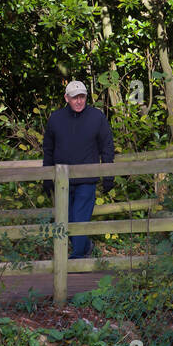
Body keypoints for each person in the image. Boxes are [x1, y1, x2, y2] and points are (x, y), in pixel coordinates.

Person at [42, 80, 115, 260]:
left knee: (79, 219)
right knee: (66, 219)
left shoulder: (96, 117)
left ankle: (77, 258)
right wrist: (46, 177)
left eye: (82, 97)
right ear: (67, 98)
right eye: (75, 98)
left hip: (87, 180)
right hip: (62, 180)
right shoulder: (56, 119)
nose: (79, 101)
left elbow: (107, 147)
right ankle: (86, 246)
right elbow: (48, 150)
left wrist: (108, 176)